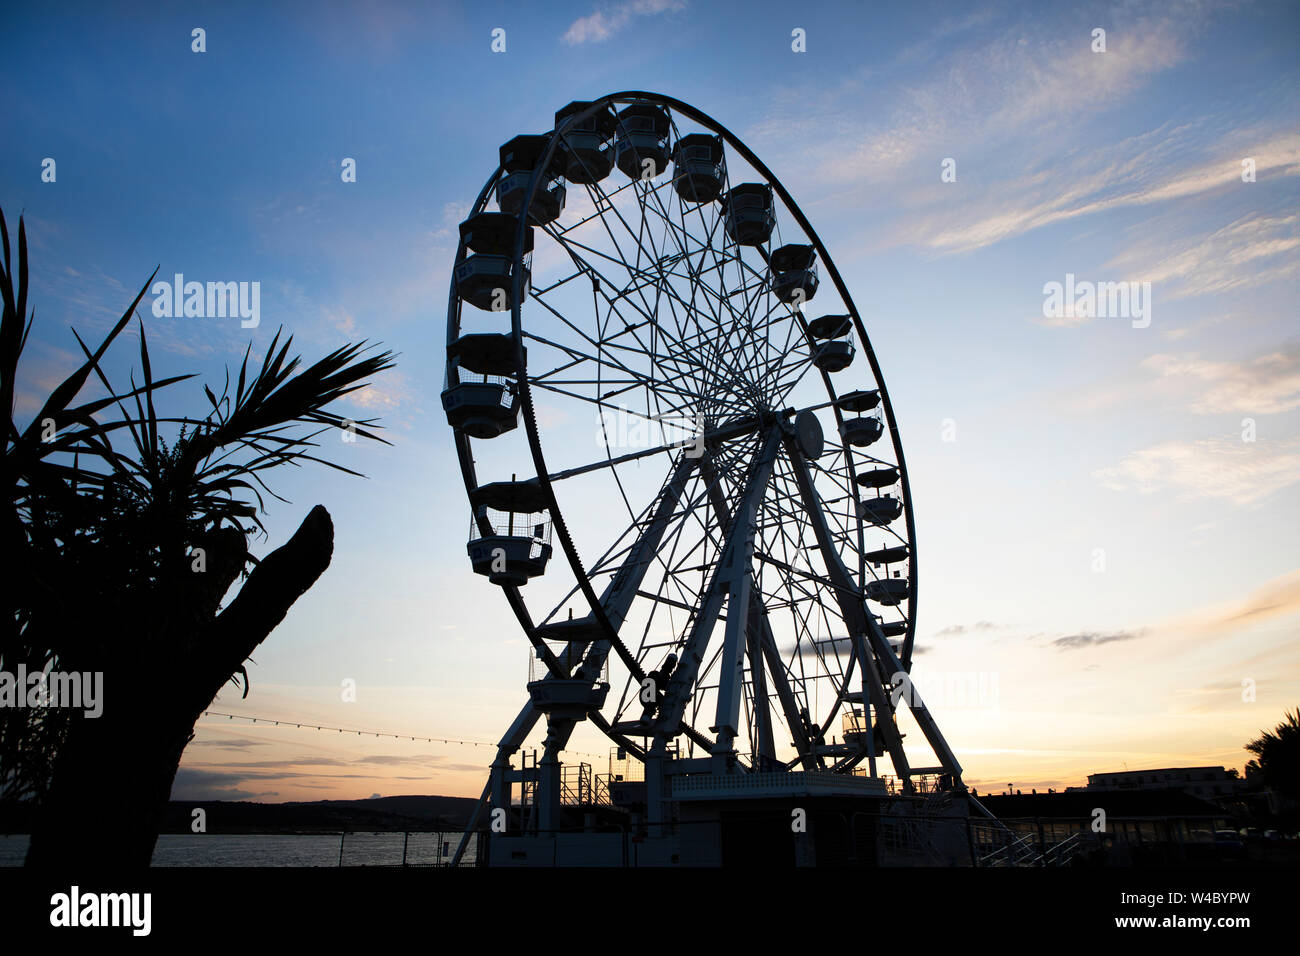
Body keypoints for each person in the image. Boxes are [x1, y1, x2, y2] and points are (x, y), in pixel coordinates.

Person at [641, 653, 677, 720]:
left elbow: (664, 685)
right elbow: (664, 685)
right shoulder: (654, 675)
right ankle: (647, 716)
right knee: (652, 703)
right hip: (647, 697)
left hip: (647, 697)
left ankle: (647, 716)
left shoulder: (655, 675)